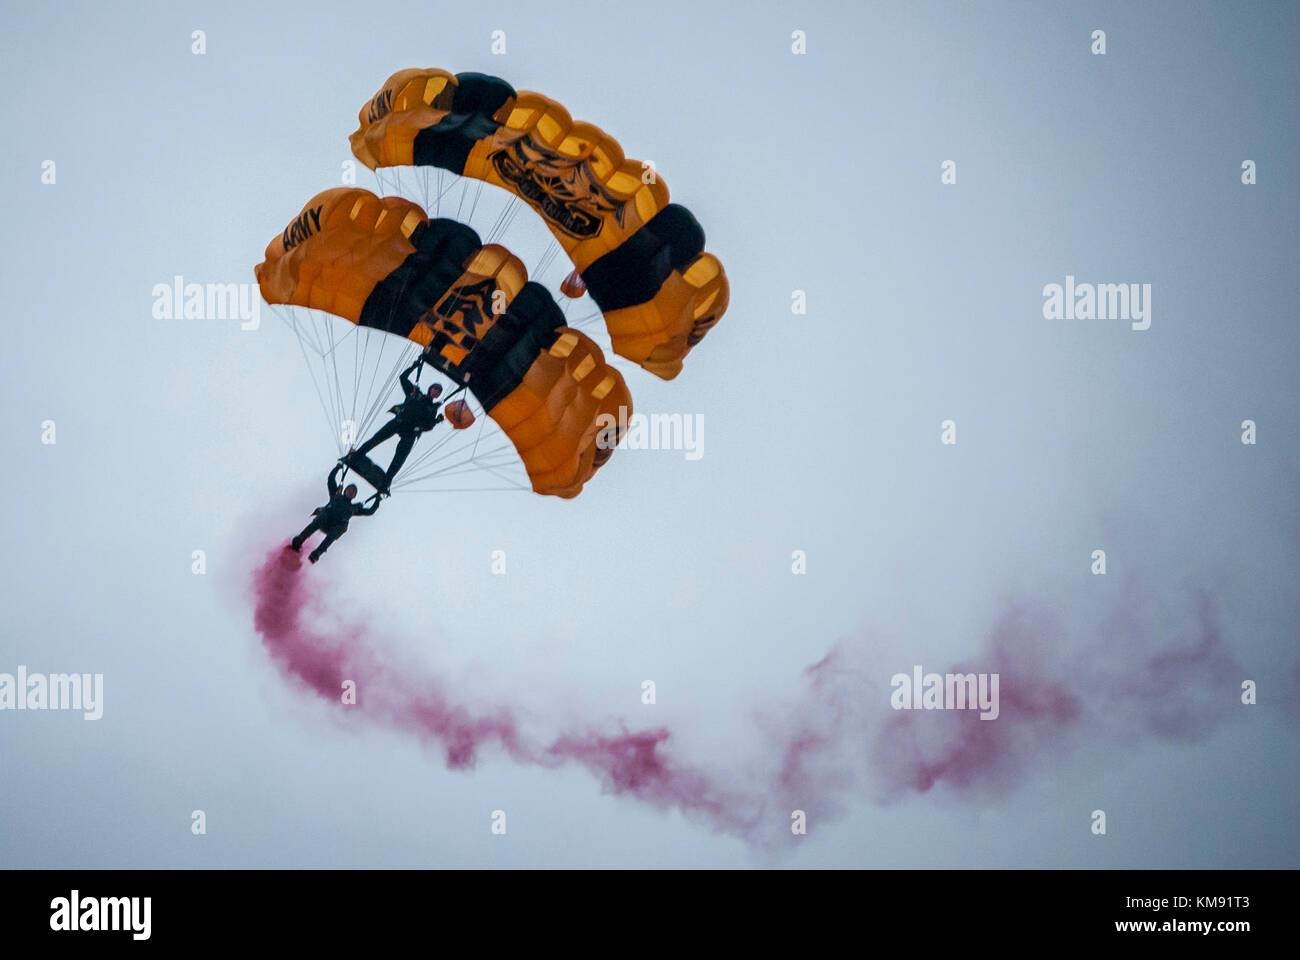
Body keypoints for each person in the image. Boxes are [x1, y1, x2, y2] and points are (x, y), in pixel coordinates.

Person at [351, 358, 444, 493]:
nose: (436, 392)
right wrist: (414, 366)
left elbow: (428, 426)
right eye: (435, 389)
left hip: (411, 431)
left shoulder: (433, 408)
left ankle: (386, 482)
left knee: (400, 457)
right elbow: (403, 377)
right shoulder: (415, 393)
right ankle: (357, 455)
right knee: (376, 439)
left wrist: (437, 421)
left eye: (438, 392)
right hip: (399, 421)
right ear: (430, 389)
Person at [289, 464, 381, 563]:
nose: (351, 492)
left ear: (354, 496)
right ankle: (300, 539)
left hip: (334, 528)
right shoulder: (335, 495)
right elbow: (331, 479)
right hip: (324, 521)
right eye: (349, 489)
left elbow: (370, 511)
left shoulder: (353, 508)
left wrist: (377, 499)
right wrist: (337, 468)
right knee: (323, 515)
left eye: (353, 492)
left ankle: (317, 553)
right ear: (345, 490)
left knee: (342, 527)